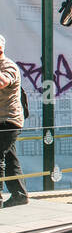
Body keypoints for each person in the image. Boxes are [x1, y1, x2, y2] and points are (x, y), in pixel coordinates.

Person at [0, 34, 28, 208]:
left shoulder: (8, 66)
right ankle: (19, 195)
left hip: (8, 120)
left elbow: (2, 81)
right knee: (10, 158)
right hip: (3, 119)